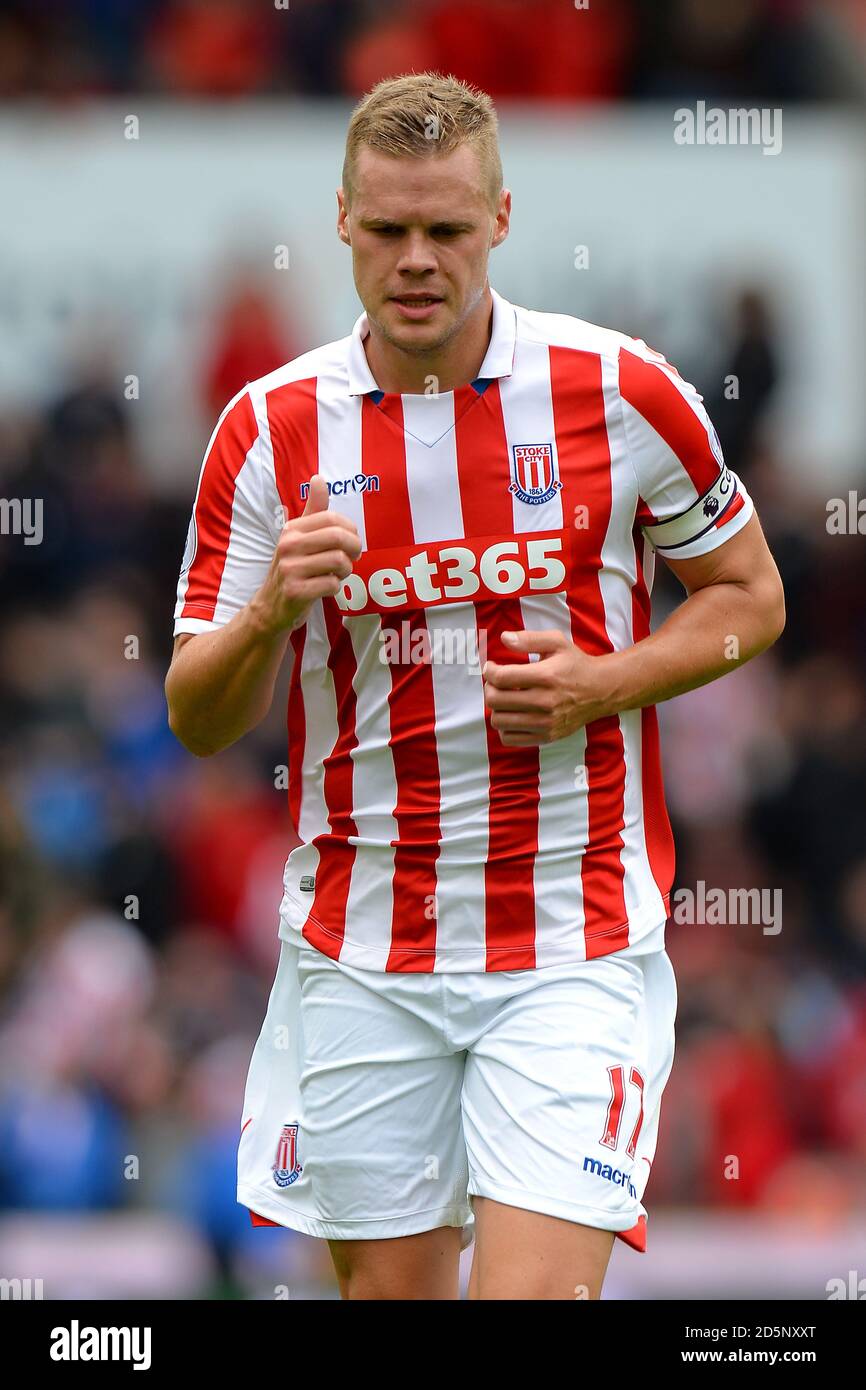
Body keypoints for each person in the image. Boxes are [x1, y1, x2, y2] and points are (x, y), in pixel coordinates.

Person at [164, 72, 785, 1300]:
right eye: (387, 228)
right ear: (339, 217)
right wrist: (269, 616)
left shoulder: (620, 391)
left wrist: (601, 683)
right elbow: (195, 715)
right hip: (360, 951)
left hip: (572, 941)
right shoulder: (268, 428)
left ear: (500, 219)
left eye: (445, 229)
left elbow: (749, 599)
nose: (415, 260)